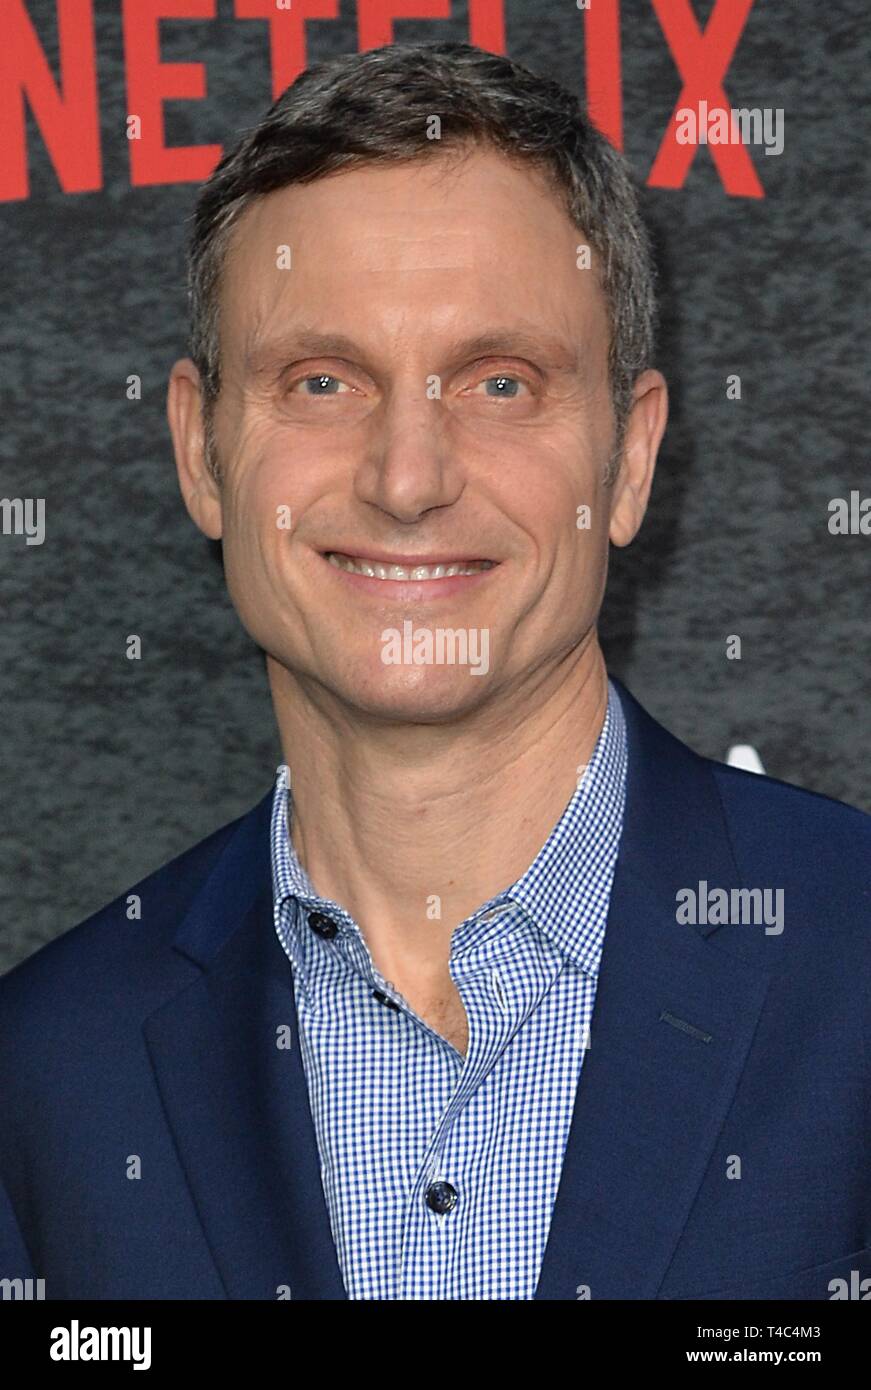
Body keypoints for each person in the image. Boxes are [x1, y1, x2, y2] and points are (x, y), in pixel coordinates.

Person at [1, 41, 868, 1302]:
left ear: (628, 460)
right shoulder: (45, 1075)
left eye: (500, 381)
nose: (407, 477)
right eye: (321, 380)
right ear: (201, 452)